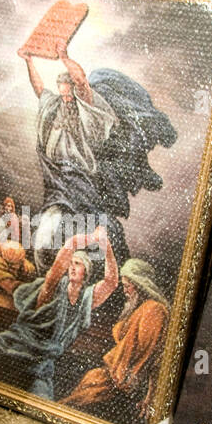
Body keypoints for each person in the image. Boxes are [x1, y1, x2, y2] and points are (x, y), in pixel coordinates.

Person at [19, 37, 175, 269]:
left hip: (82, 183)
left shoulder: (88, 116)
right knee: (45, 235)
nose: (66, 101)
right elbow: (40, 90)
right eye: (63, 97)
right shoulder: (54, 109)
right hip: (57, 184)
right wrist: (29, 61)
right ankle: (46, 274)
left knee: (85, 232)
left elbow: (82, 82)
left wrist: (64, 58)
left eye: (70, 97)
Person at [0, 226, 118, 399]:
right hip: (19, 347)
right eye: (70, 263)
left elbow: (111, 282)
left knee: (42, 398)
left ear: (86, 272)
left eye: (77, 263)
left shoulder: (85, 300)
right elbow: (69, 247)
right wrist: (92, 237)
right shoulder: (52, 288)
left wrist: (107, 247)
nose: (72, 267)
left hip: (41, 365)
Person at [63, 258, 170, 424]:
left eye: (128, 285)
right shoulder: (140, 309)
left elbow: (149, 358)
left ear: (140, 285)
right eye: (124, 285)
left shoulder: (153, 310)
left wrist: (148, 395)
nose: (125, 291)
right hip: (112, 376)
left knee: (75, 403)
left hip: (120, 383)